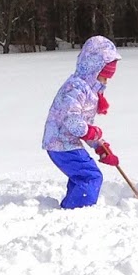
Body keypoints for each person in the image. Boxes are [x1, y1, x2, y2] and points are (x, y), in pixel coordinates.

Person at [41, 35, 120, 209]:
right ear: (93, 69)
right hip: (60, 143)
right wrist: (91, 132)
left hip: (66, 142)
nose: (105, 82)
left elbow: (84, 125)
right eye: (103, 77)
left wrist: (101, 147)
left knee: (81, 176)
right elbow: (72, 120)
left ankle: (72, 207)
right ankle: (77, 210)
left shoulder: (89, 91)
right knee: (91, 176)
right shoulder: (76, 88)